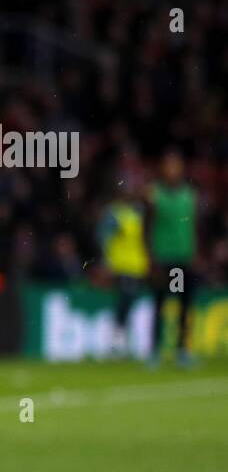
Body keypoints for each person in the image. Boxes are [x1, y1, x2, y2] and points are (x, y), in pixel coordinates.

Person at [147, 149, 198, 366]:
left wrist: (196, 252)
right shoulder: (154, 194)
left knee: (183, 305)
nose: (172, 170)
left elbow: (194, 227)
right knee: (160, 304)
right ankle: (155, 351)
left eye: (175, 165)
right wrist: (150, 256)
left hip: (183, 259)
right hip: (163, 259)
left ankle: (182, 350)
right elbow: (146, 227)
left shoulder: (189, 195)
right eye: (168, 165)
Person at [97, 174, 150, 358]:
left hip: (137, 265)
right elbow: (103, 238)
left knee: (130, 301)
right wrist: (107, 262)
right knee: (126, 299)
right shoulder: (114, 213)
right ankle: (116, 340)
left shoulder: (138, 211)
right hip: (121, 265)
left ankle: (120, 338)